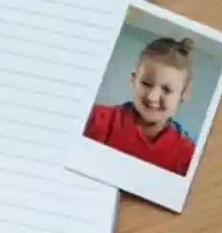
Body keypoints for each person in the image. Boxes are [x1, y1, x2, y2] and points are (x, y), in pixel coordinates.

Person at [83, 36, 197, 176]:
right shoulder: (94, 119)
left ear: (183, 95)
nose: (152, 97)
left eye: (166, 90)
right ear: (133, 79)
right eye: (146, 84)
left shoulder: (189, 156)